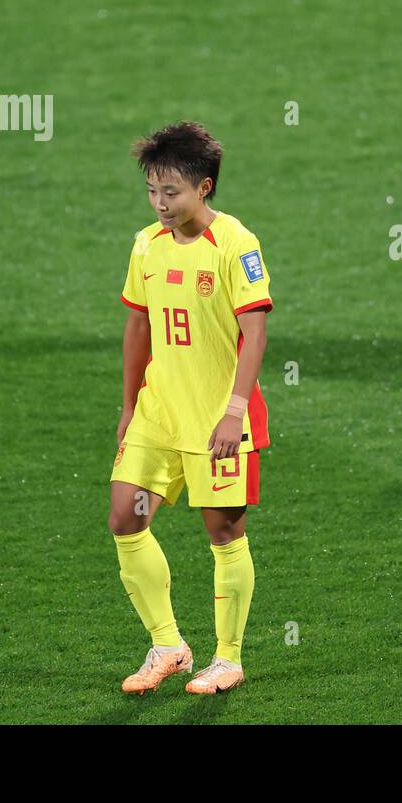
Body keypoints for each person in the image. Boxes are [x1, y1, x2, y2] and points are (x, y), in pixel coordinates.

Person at [107, 121, 274, 694]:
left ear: (204, 187)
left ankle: (228, 658)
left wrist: (234, 411)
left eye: (171, 192)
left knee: (222, 530)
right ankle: (168, 645)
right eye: (153, 191)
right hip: (159, 413)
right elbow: (138, 326)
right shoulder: (145, 245)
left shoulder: (236, 244)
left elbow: (254, 335)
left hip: (216, 417)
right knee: (126, 518)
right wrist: (130, 406)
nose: (160, 204)